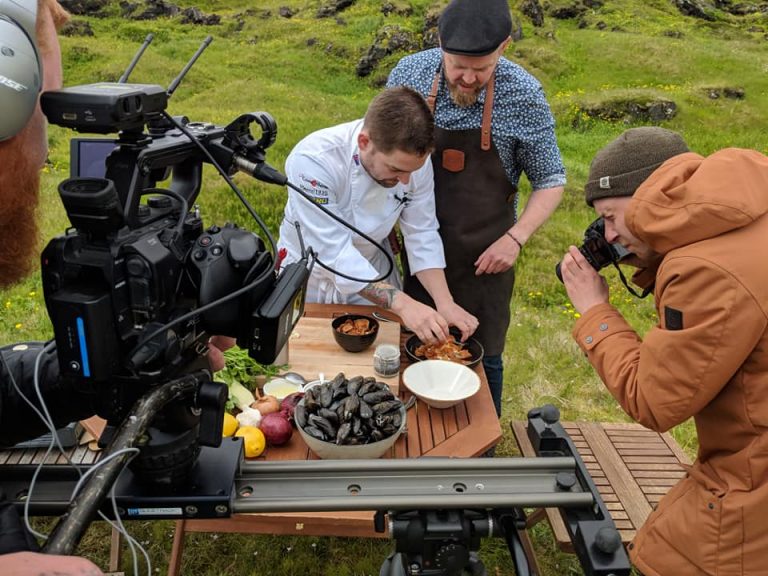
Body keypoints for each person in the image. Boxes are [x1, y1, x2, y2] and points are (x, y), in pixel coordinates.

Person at [559, 127, 768, 575]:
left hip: (751, 478)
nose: (610, 237)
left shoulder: (702, 269)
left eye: (612, 217)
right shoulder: (744, 213)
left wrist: (595, 311)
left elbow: (654, 401)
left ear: (653, 194)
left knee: (664, 557)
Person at [387, 0, 566, 416]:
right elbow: (384, 153)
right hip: (410, 248)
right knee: (402, 347)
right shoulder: (409, 75)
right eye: (457, 66)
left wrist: (515, 239)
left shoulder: (524, 94)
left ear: (504, 47)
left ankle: (483, 439)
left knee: (484, 354)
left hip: (485, 257)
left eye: (480, 69)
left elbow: (551, 180)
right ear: (440, 44)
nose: (467, 78)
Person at [278, 86, 478, 344]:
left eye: (411, 172)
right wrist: (404, 304)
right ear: (365, 142)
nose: (405, 180)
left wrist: (445, 302)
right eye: (395, 169)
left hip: (373, 271)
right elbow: (334, 252)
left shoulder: (414, 164)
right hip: (309, 278)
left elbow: (421, 231)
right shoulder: (313, 161)